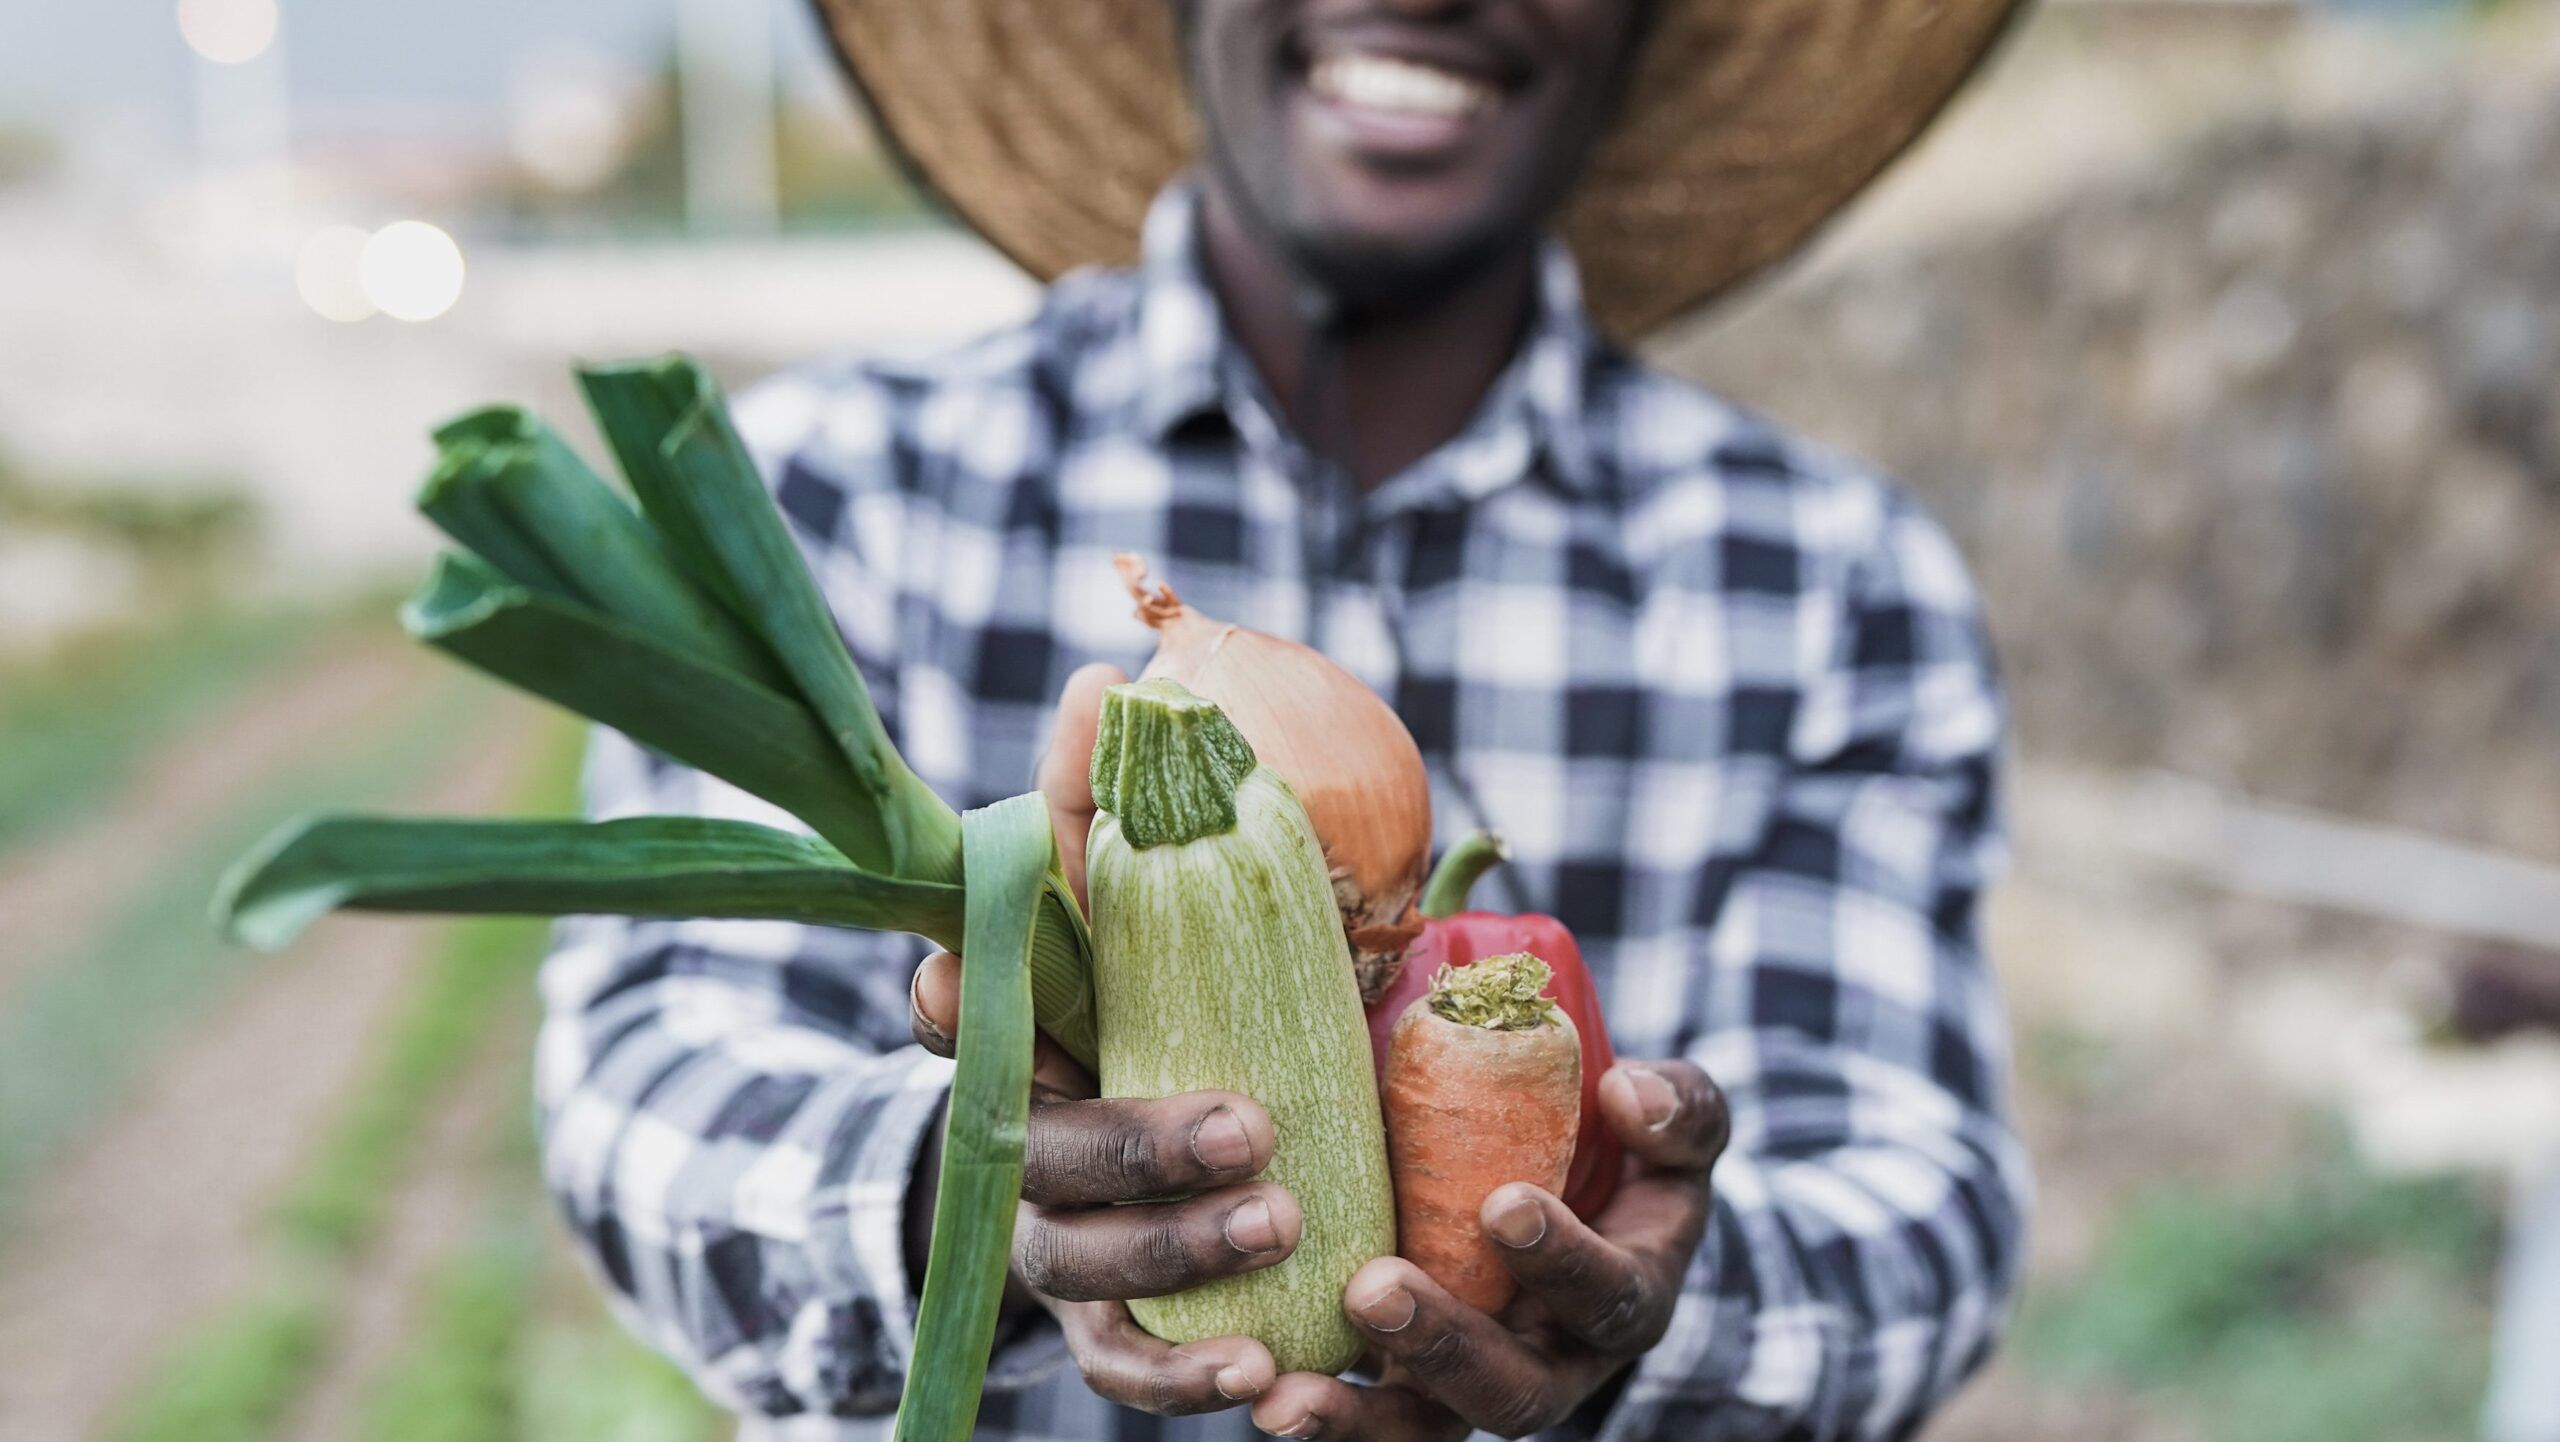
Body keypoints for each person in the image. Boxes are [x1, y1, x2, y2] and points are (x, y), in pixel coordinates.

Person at [536, 0, 2032, 1436]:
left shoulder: (1832, 577)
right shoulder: (833, 491)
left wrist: (1654, 1312)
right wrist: (972, 1188)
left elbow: (1916, 1213)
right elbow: (648, 1097)